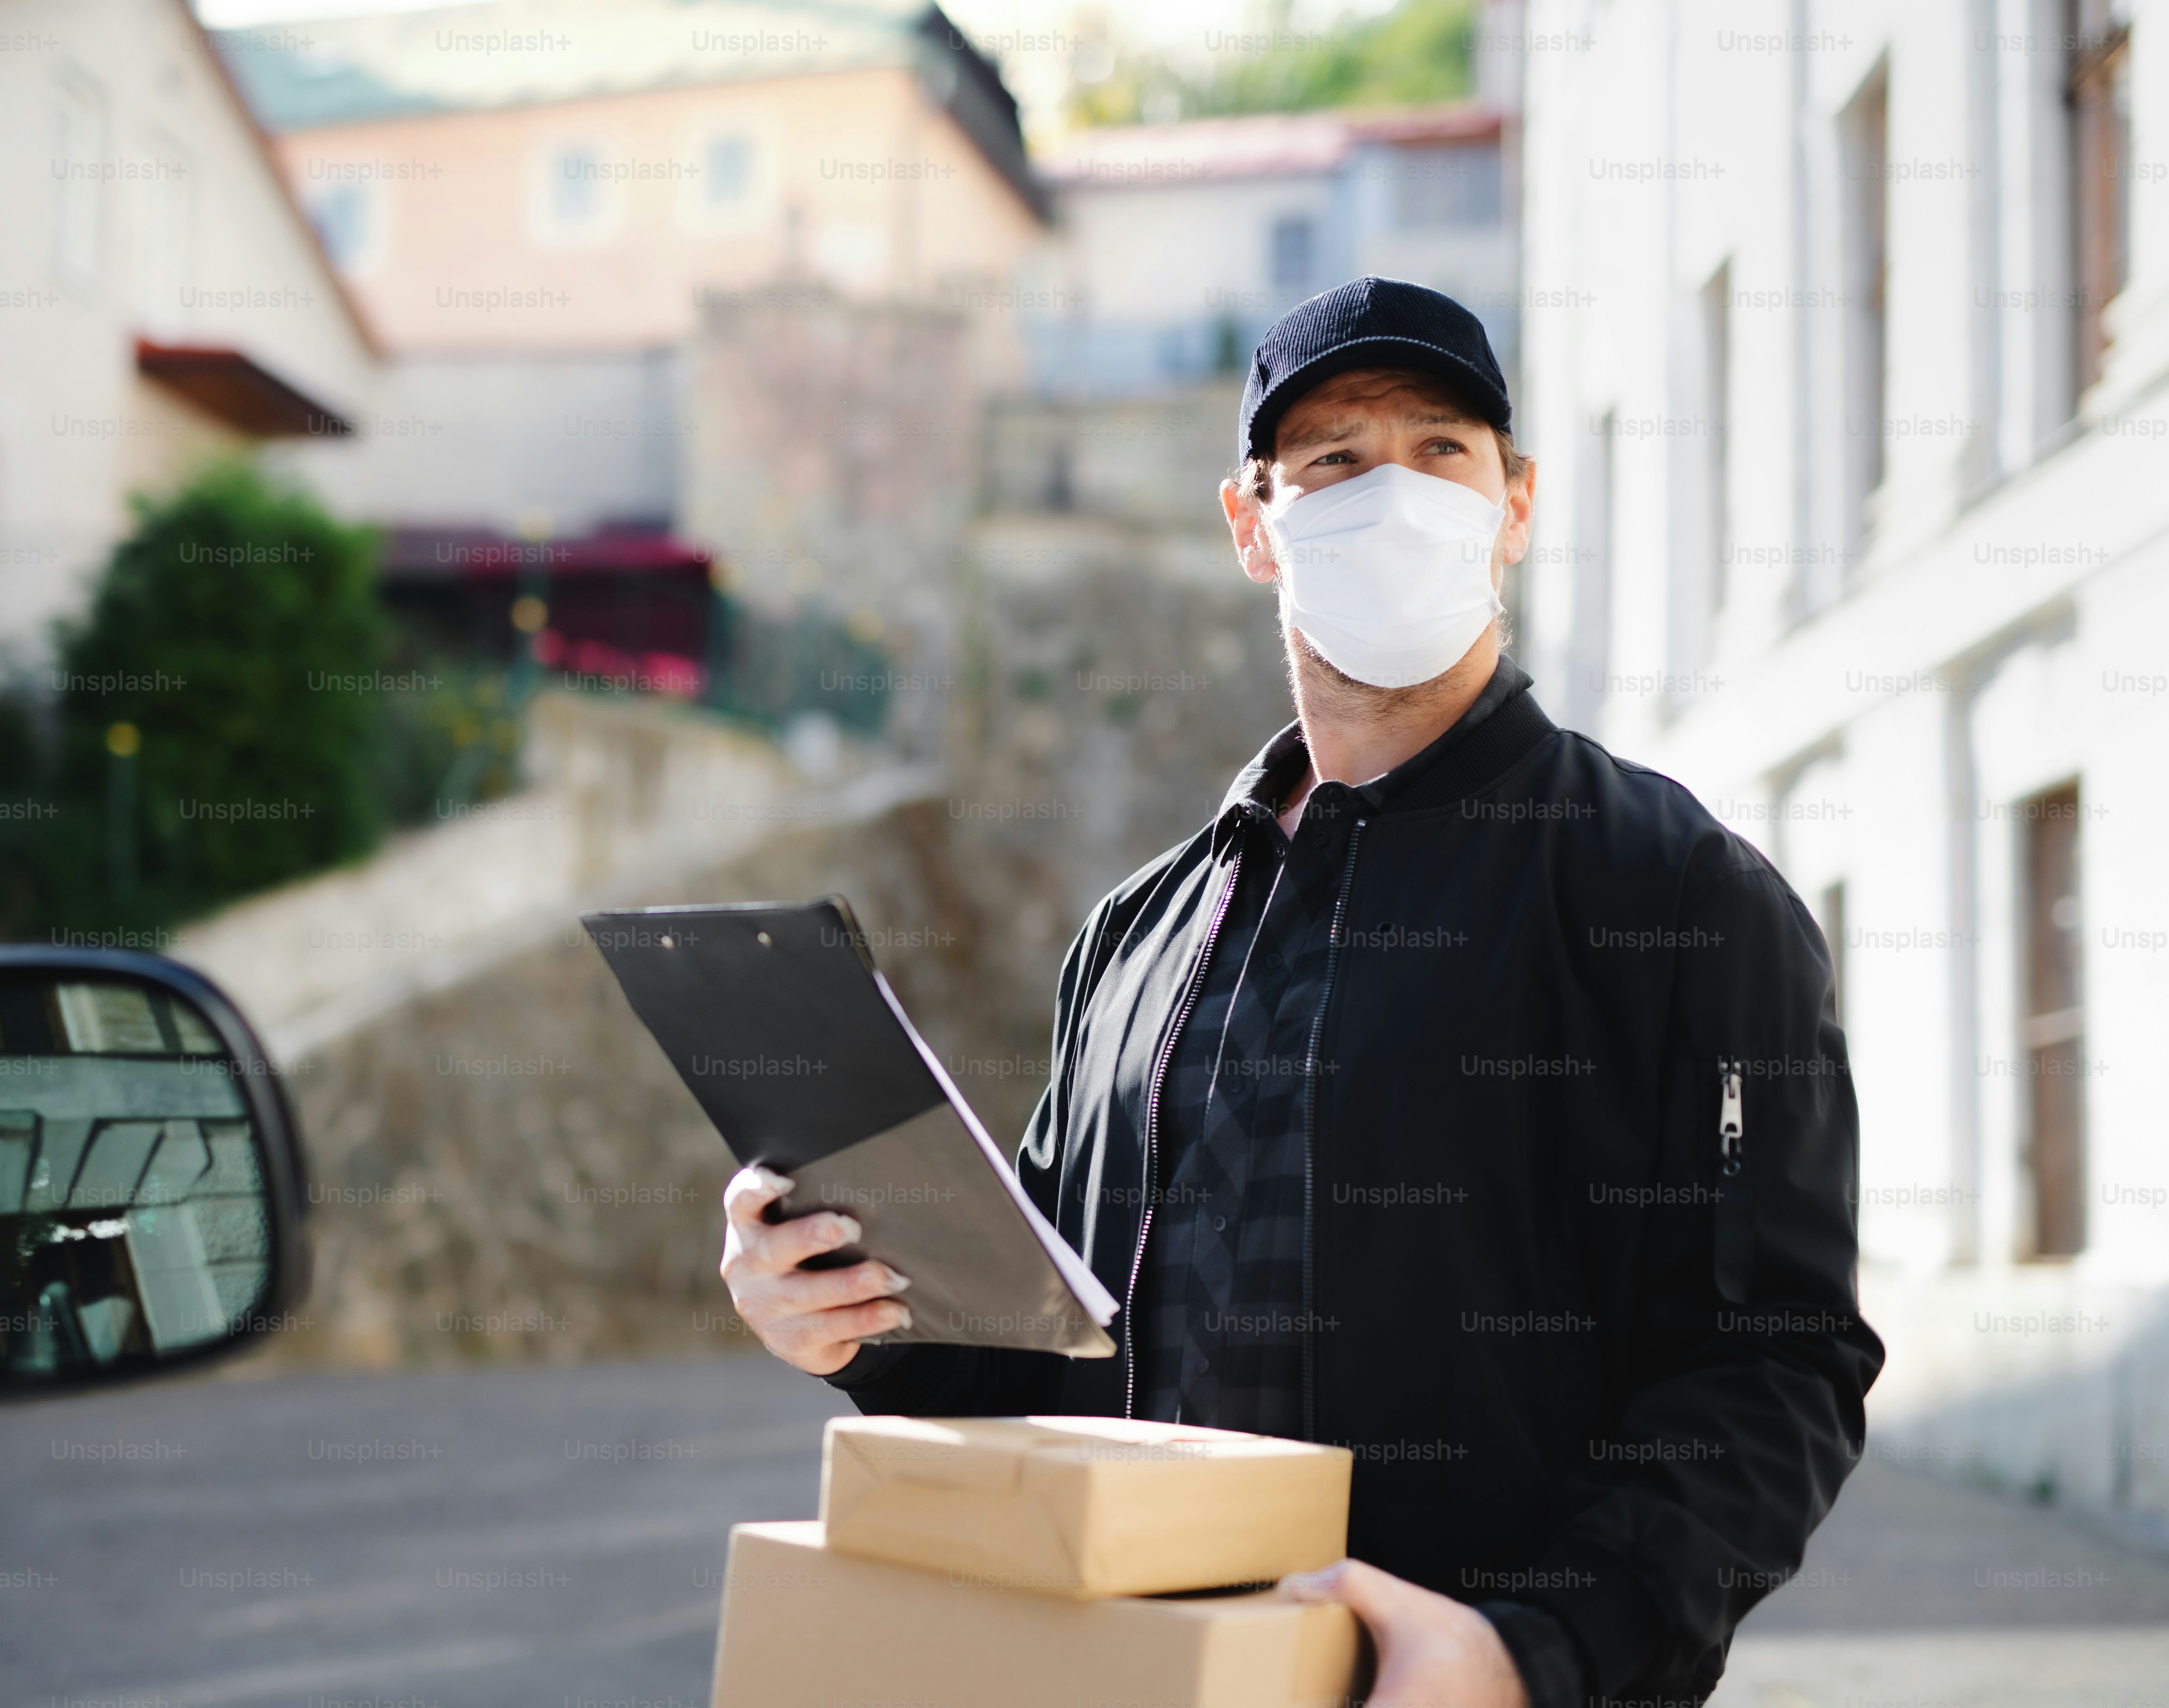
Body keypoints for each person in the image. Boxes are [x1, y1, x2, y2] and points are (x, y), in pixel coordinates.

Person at [716, 277, 1882, 1708]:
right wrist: (846, 1316)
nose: (1392, 497)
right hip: (1123, 1672)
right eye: (1332, 463)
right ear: (1252, 526)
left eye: (1440, 450)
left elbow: (1778, 1367)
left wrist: (1537, 1656)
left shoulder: (1679, 899)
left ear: (1516, 502)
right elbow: (1035, 1355)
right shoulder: (1136, 936)